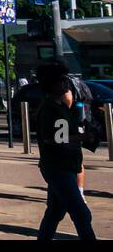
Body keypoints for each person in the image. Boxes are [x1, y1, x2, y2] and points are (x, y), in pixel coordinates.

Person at [35, 62, 97, 240]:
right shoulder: (50, 109)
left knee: (55, 212)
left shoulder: (60, 107)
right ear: (52, 84)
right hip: (58, 167)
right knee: (81, 213)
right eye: (61, 81)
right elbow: (52, 139)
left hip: (64, 165)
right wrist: (82, 138)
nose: (65, 84)